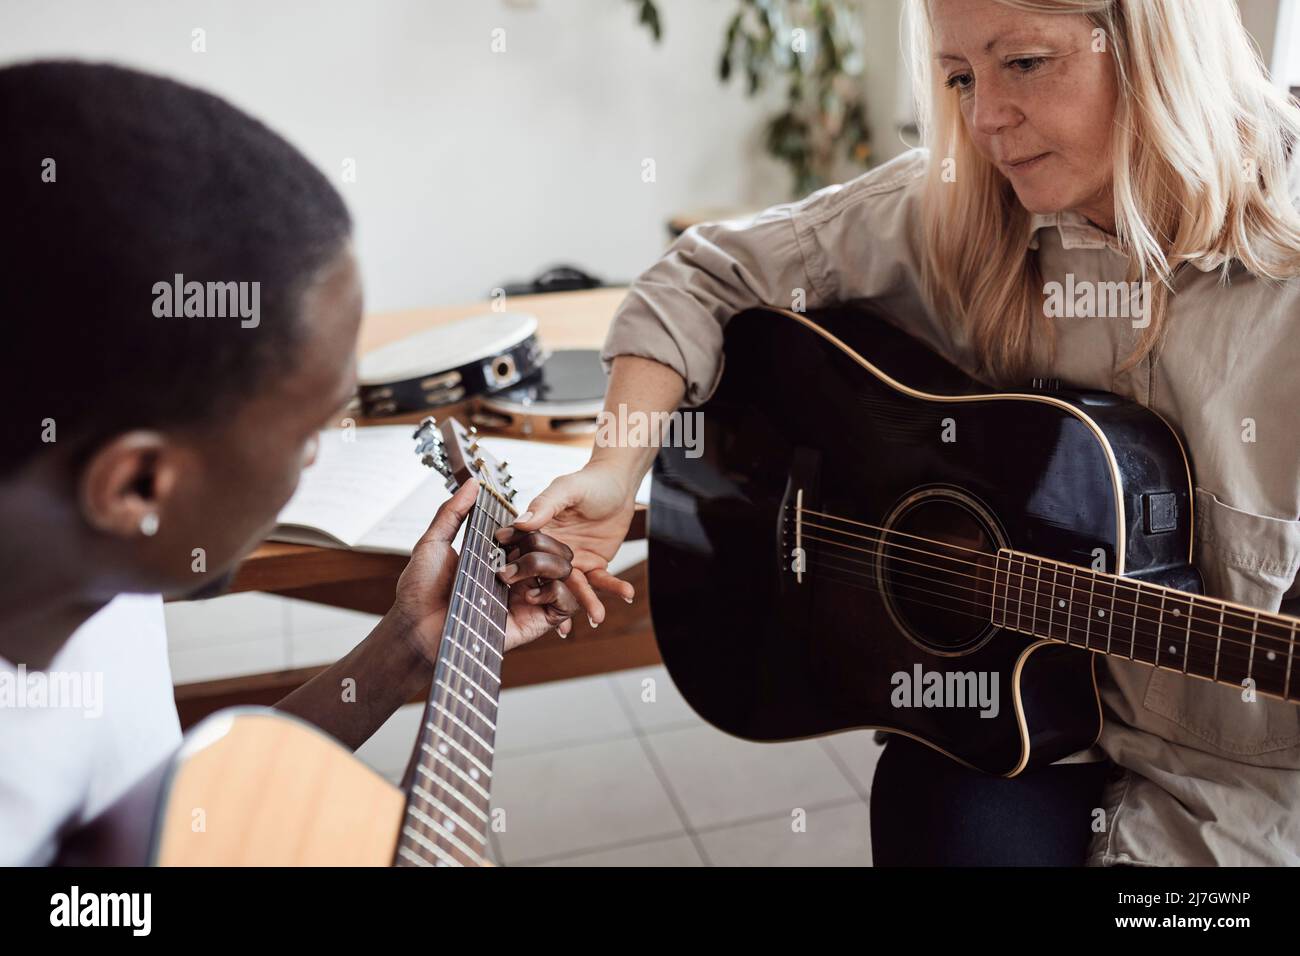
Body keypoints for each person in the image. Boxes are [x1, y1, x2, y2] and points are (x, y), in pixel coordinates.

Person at [512, 0, 1300, 866]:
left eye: (1026, 63)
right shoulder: (971, 207)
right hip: (1043, 728)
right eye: (959, 76)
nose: (985, 120)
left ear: (1157, 45)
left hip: (1252, 800)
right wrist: (616, 466)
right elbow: (701, 276)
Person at [0, 60, 603, 865]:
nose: (316, 458)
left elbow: (168, 822)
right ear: (136, 483)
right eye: (307, 433)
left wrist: (401, 654)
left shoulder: (81, 555)